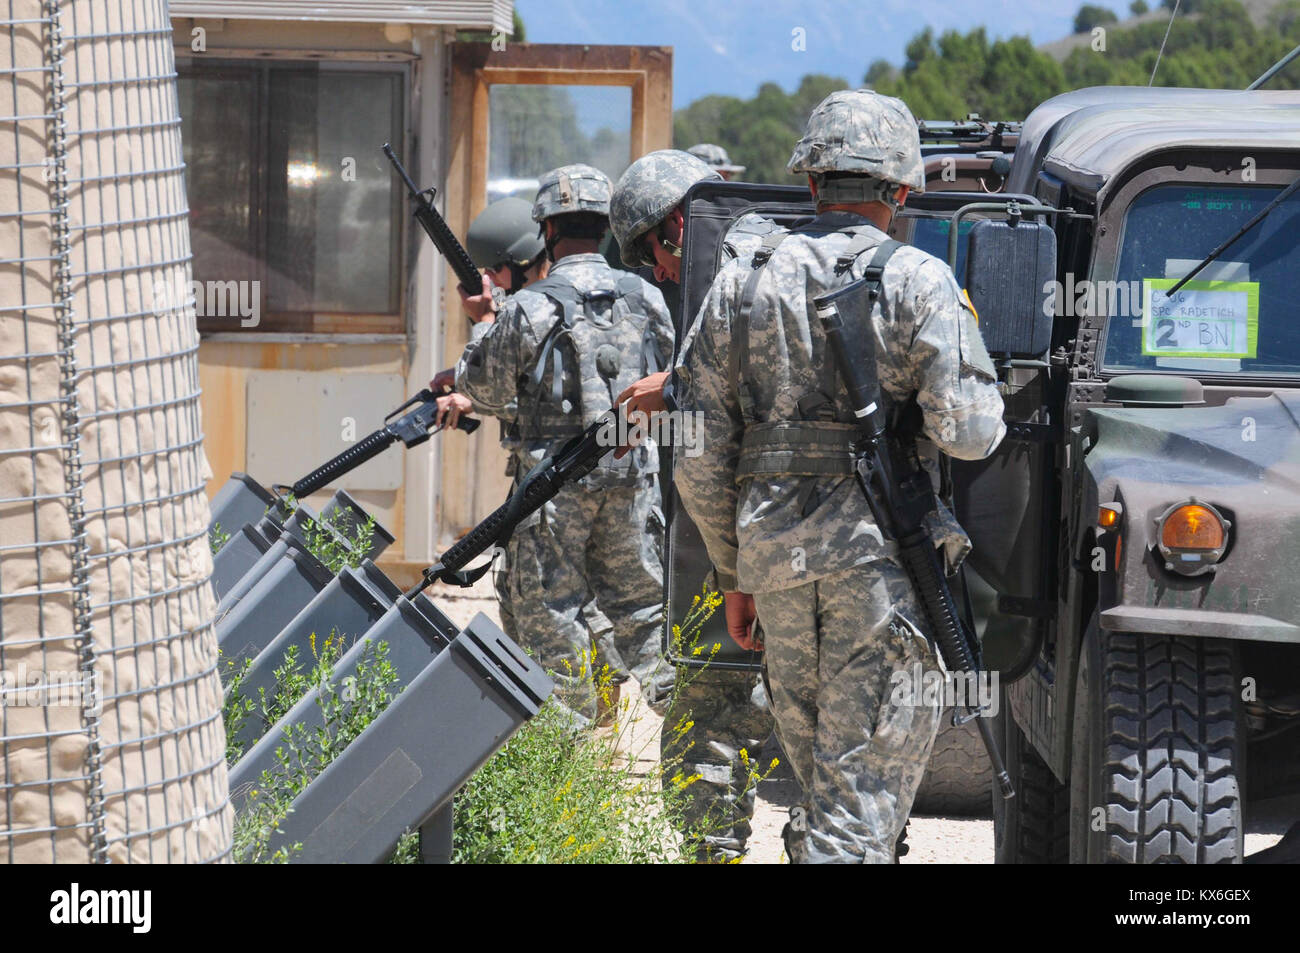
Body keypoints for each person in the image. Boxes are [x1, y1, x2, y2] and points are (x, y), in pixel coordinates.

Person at [671, 90, 1007, 863]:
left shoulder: (741, 281)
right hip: (881, 567)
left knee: (825, 793)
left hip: (777, 568)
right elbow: (971, 433)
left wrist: (733, 571)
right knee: (858, 810)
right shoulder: (920, 279)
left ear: (812, 183)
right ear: (901, 188)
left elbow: (695, 449)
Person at [451, 164, 675, 721]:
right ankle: (695, 727)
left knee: (554, 615)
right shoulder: (646, 297)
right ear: (603, 227)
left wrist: (482, 323)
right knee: (644, 612)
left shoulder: (530, 307)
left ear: (546, 231)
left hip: (553, 491)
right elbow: (674, 378)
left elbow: (480, 388)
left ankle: (568, 760)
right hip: (632, 477)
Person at [608, 149, 780, 862]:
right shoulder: (807, 251)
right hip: (854, 555)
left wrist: (674, 388)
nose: (663, 274)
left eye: (656, 255)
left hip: (750, 550)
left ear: (674, 225)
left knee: (702, 722)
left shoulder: (732, 274)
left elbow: (712, 435)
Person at [433, 196, 548, 429]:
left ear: (523, 261)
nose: (487, 278)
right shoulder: (524, 306)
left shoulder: (547, 310)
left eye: (495, 268)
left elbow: (548, 404)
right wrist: (460, 375)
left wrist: (484, 321)